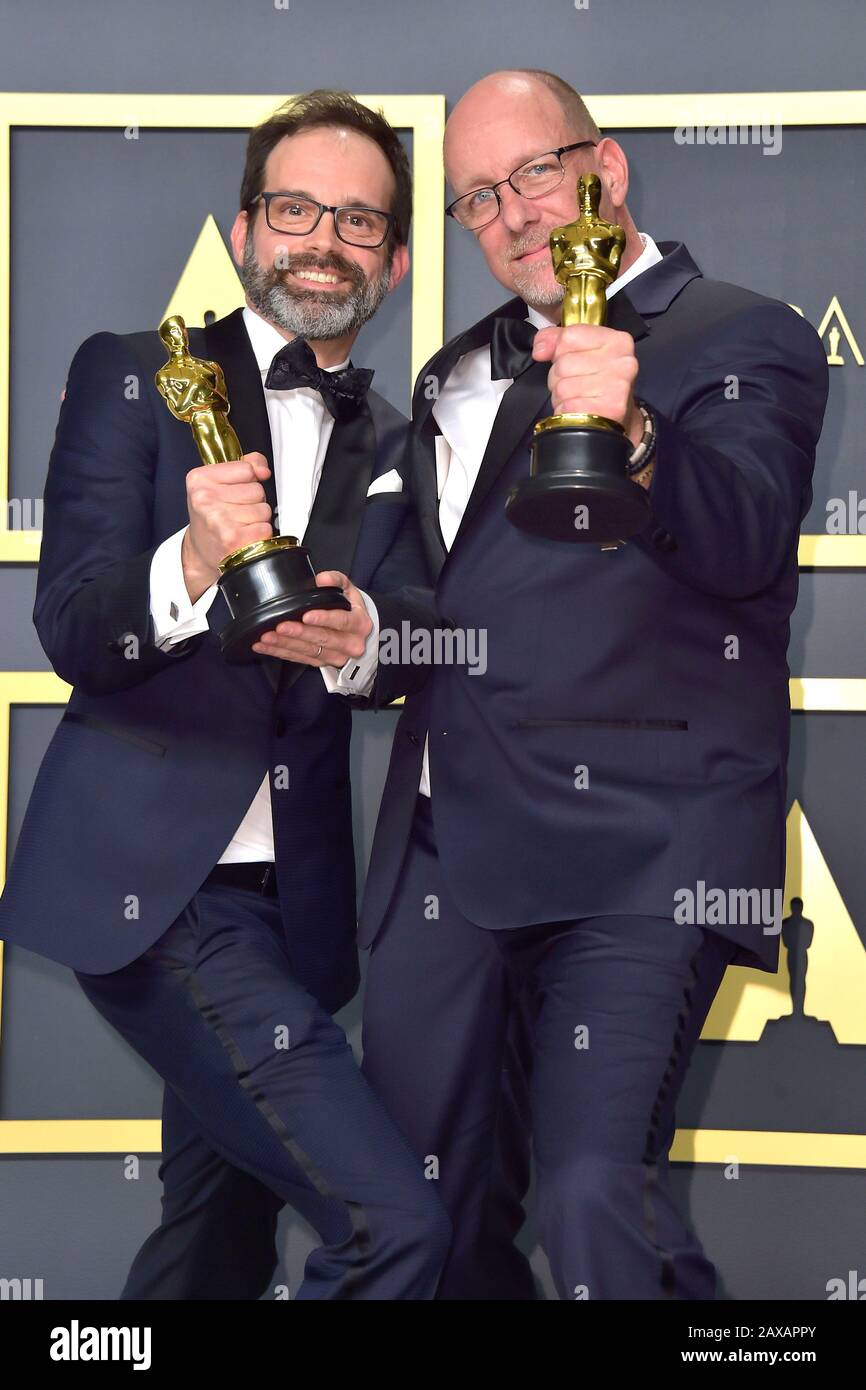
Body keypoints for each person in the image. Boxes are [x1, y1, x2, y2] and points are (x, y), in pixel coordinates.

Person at [353, 69, 830, 1299]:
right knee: (425, 1215)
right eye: (471, 197)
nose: (507, 215)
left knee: (587, 1197)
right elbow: (431, 598)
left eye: (528, 174)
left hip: (640, 847)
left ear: (601, 169)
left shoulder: (741, 329)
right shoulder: (453, 372)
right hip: (444, 853)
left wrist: (631, 438)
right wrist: (359, 637)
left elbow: (739, 536)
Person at [0, 89, 449, 1301]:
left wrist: (361, 644)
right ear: (246, 229)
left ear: (396, 260)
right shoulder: (133, 377)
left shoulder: (404, 442)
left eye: (358, 221)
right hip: (160, 895)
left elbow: (412, 642)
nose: (324, 240)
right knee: (394, 1221)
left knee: (211, 1246)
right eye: (295, 207)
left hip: (293, 911)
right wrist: (190, 566)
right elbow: (75, 629)